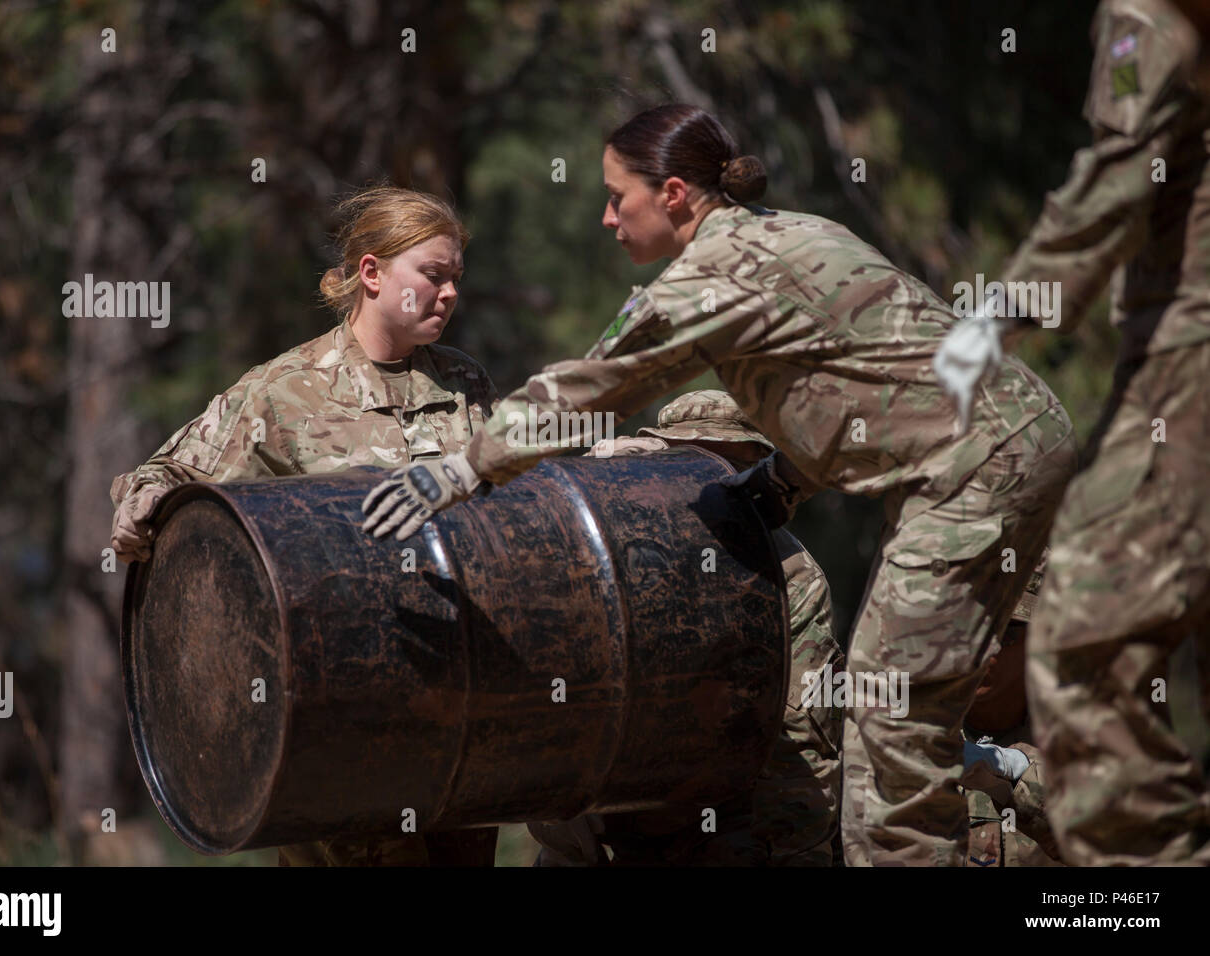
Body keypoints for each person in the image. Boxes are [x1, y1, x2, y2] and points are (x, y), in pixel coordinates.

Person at [362, 104, 1077, 866]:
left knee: (886, 727)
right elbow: (870, 388)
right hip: (1019, 437)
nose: (607, 218)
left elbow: (589, 388)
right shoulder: (793, 232)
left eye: (616, 197)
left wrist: (464, 467)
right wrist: (785, 479)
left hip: (978, 466)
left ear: (672, 195)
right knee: (904, 710)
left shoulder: (713, 278)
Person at [108, 185, 501, 867]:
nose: (448, 295)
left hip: (456, 707)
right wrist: (140, 510)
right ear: (372, 274)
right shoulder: (284, 390)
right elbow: (163, 478)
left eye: (455, 279)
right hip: (336, 715)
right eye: (432, 276)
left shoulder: (465, 383)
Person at [935, 0, 1210, 865]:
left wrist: (996, 317)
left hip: (1187, 359)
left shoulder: (1143, 17)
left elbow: (1118, 176)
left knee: (1082, 643)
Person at [530, 390, 843, 866]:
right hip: (594, 827)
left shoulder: (789, 572)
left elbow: (798, 743)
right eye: (692, 467)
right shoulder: (601, 545)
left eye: (727, 474)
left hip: (718, 834)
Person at [961, 554, 1063, 867]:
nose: (983, 645)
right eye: (970, 623)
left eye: (1005, 629)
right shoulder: (895, 729)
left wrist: (1019, 774)